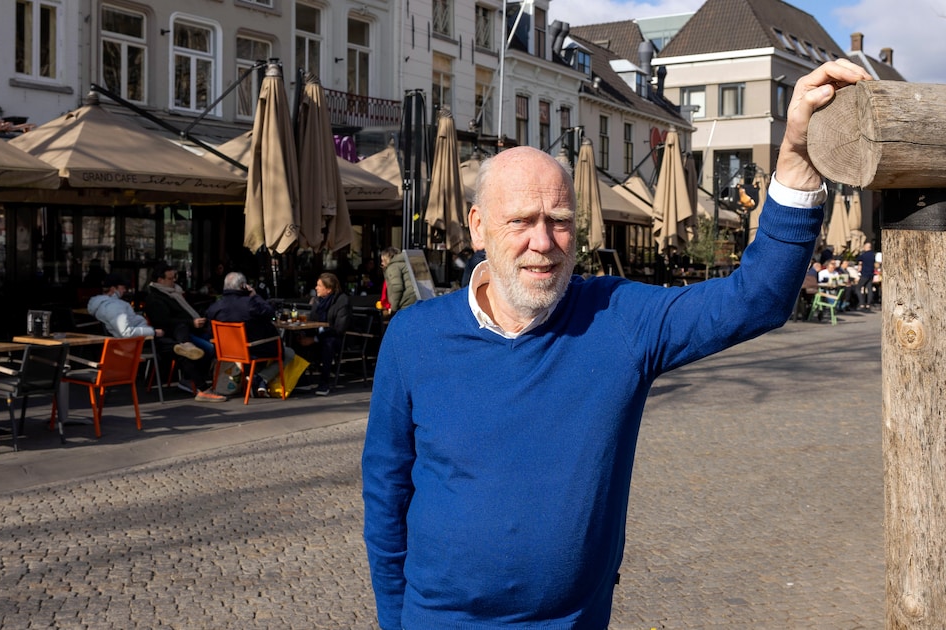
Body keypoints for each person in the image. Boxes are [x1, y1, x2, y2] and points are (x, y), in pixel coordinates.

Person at [361, 59, 872, 628]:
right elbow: (386, 494)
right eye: (521, 222)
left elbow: (759, 298)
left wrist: (797, 157)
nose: (543, 243)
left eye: (559, 221)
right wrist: (393, 619)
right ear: (479, 227)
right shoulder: (415, 337)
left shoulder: (617, 319)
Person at [89, 273, 225, 403]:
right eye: (123, 288)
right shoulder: (114, 307)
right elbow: (126, 331)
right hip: (138, 342)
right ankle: (203, 388)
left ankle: (185, 344)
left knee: (179, 328)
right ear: (114, 289)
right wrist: (153, 332)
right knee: (180, 352)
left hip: (142, 339)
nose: (125, 291)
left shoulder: (108, 305)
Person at [206, 272, 296, 397]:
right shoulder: (251, 304)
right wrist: (255, 296)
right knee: (288, 352)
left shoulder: (214, 307)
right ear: (243, 286)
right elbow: (270, 313)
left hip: (226, 351)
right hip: (253, 349)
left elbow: (210, 331)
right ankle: (260, 378)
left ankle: (256, 380)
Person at [143, 263, 213, 359]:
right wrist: (191, 322)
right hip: (177, 335)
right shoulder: (155, 298)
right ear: (160, 280)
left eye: (174, 278)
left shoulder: (175, 293)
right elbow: (164, 321)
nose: (174, 281)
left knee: (219, 343)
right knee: (210, 348)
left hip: (192, 330)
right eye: (170, 279)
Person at [299, 272, 350, 396]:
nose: (316, 288)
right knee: (298, 341)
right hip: (320, 335)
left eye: (319, 286)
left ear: (328, 289)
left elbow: (339, 328)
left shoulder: (342, 300)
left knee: (328, 343)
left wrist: (314, 339)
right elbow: (313, 320)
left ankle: (324, 383)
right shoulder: (318, 301)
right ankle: (302, 381)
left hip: (338, 338)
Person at [380, 247, 416, 313]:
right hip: (414, 298)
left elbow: (397, 287)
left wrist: (393, 307)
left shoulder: (393, 267)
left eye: (383, 260)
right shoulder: (405, 263)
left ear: (387, 258)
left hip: (406, 301)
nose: (382, 263)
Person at [856, 241, 876, 310]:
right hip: (871, 274)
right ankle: (868, 304)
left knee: (858, 288)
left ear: (866, 247)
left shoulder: (864, 255)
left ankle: (861, 304)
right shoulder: (873, 255)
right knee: (869, 289)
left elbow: (858, 259)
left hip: (864, 274)